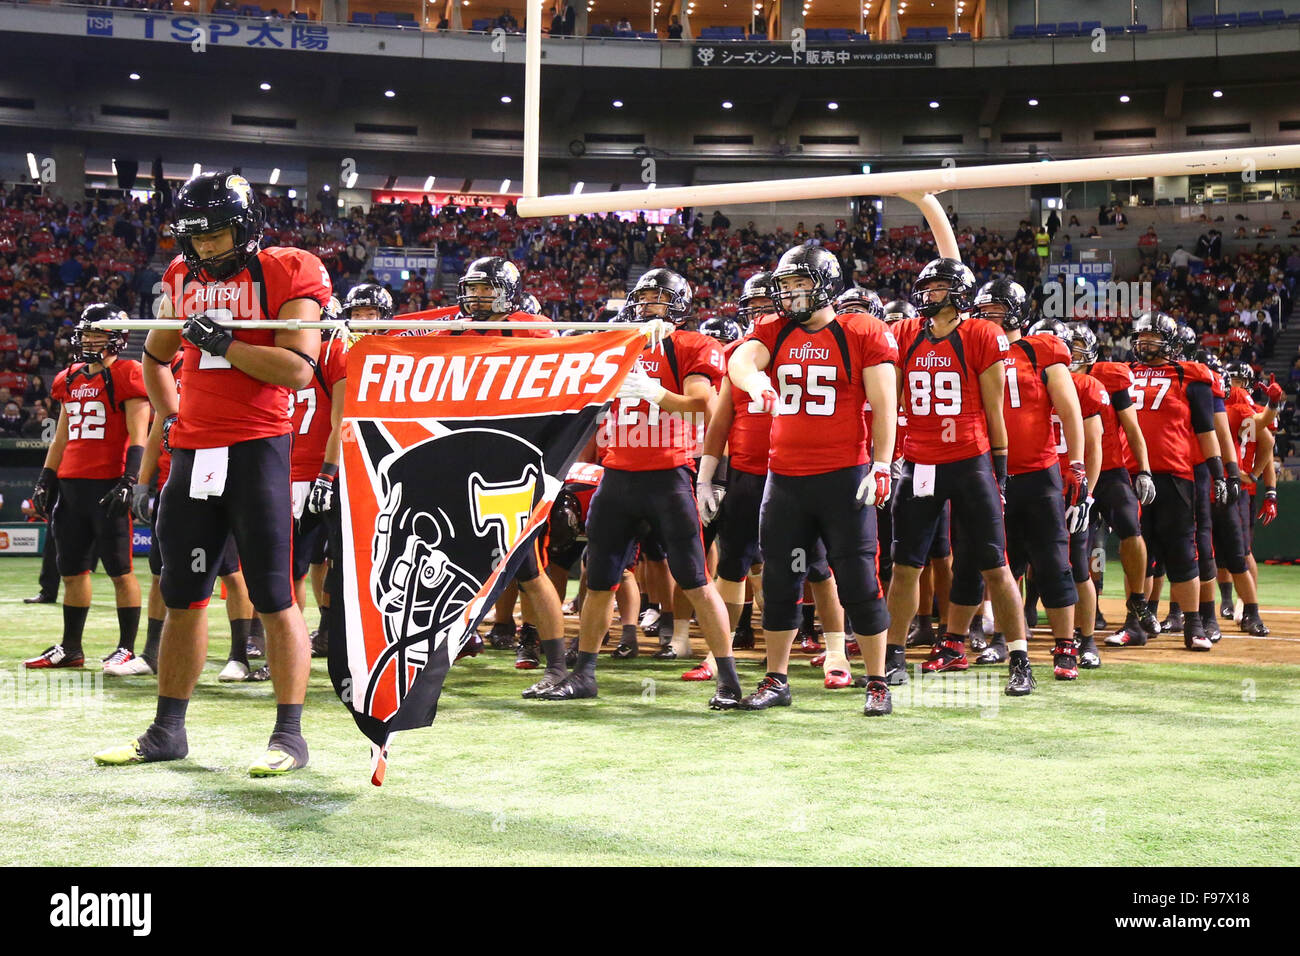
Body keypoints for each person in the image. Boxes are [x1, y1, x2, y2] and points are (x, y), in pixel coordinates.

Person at [94, 171, 329, 777]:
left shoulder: (289, 269)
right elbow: (153, 356)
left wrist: (224, 343)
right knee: (184, 596)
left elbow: (299, 370)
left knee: (276, 595)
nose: (203, 250)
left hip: (258, 447)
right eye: (194, 239)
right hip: (195, 454)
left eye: (215, 236)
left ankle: (289, 736)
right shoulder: (181, 276)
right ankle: (167, 730)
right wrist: (173, 417)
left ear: (245, 227)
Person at [535, 268, 743, 708]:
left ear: (679, 305)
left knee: (695, 581)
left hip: (669, 476)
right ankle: (584, 673)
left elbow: (703, 407)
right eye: (643, 297)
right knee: (598, 582)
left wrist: (654, 392)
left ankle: (728, 678)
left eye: (659, 299)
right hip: (617, 477)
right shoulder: (617, 344)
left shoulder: (692, 345)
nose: (648, 306)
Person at [727, 245, 899, 714]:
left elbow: (885, 406)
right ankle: (776, 678)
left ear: (824, 283)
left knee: (859, 578)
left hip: (844, 476)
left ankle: (877, 680)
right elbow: (740, 360)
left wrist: (880, 464)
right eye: (785, 285)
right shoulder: (775, 329)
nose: (789, 294)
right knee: (782, 581)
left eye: (799, 283)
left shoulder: (862, 330)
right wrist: (756, 383)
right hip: (784, 479)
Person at [886, 258, 1035, 696]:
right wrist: (888, 456)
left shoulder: (981, 335)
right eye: (926, 287)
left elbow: (994, 411)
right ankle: (894, 655)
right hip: (919, 462)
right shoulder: (904, 333)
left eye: (937, 288)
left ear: (957, 293)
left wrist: (1001, 468)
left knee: (995, 563)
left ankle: (1019, 656)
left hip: (970, 460)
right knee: (905, 564)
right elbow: (891, 398)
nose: (928, 295)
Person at [951, 281, 1086, 680]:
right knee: (989, 562)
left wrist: (1075, 463)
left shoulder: (1041, 348)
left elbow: (1069, 408)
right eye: (984, 310)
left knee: (1052, 563)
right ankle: (992, 641)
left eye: (997, 309)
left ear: (1017, 311)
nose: (989, 316)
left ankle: (1065, 647)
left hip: (1038, 474)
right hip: (987, 473)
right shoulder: (972, 348)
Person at [25, 304, 149, 672]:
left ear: (116, 338)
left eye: (97, 332)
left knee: (120, 570)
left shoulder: (128, 373)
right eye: (87, 332)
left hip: (108, 484)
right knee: (72, 571)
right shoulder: (69, 377)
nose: (89, 339)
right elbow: (61, 436)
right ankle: (72, 648)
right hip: (71, 485)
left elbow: (139, 433)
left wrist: (130, 480)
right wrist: (46, 478)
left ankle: (126, 647)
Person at [1119, 312, 1224, 651]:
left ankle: (1193, 624)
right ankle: (1134, 623)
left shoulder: (1190, 375)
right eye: (1141, 336)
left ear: (1170, 341)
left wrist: (1220, 472)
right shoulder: (1124, 373)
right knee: (1136, 552)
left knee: (1181, 550)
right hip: (1133, 472)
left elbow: (1206, 431)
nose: (1143, 342)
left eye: (1151, 336)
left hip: (1175, 473)